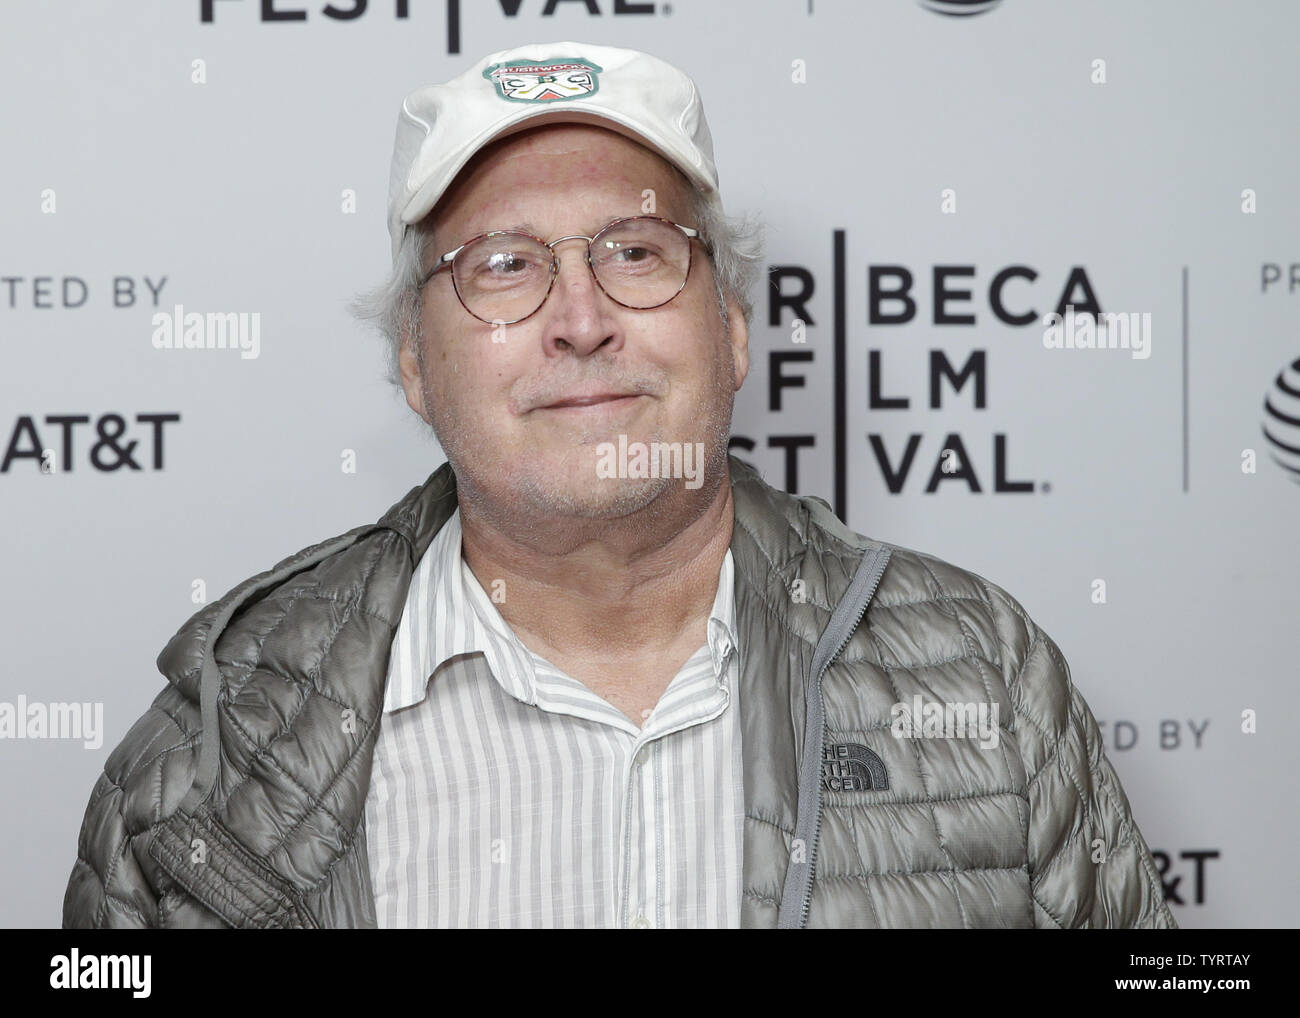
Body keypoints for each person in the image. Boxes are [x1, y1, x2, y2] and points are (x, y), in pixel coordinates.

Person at [62, 40, 1175, 929]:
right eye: (501, 266)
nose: (581, 320)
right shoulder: (226, 727)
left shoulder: (983, 673)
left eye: (636, 251)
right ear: (413, 357)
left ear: (730, 329)